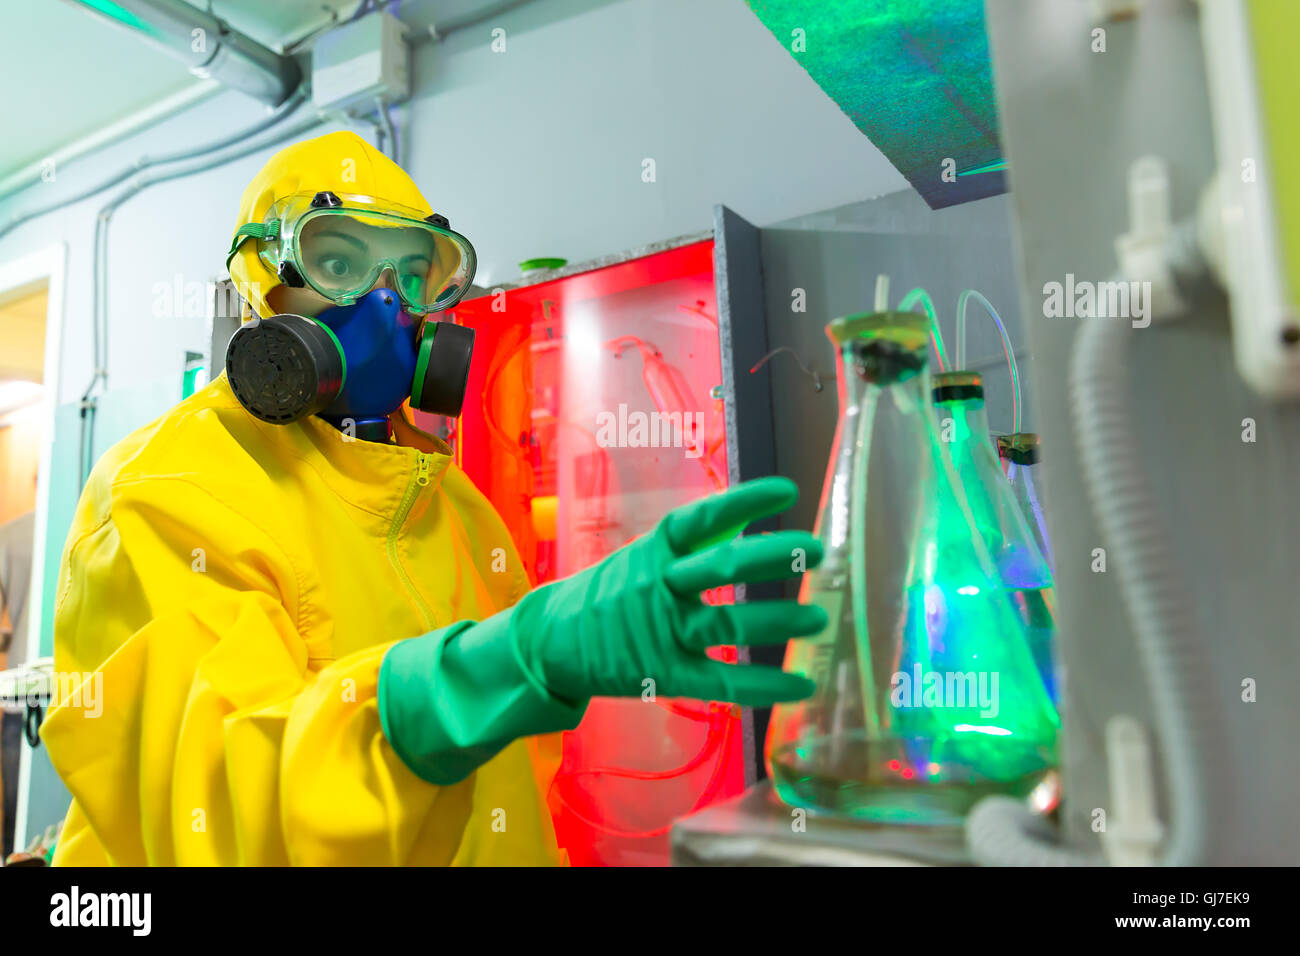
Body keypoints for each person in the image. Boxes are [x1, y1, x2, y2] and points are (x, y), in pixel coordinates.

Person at [40, 130, 826, 866]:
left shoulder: (450, 501)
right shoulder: (167, 490)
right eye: (339, 264)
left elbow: (513, 787)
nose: (388, 306)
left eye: (414, 275)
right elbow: (224, 812)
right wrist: (509, 663)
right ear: (258, 288)